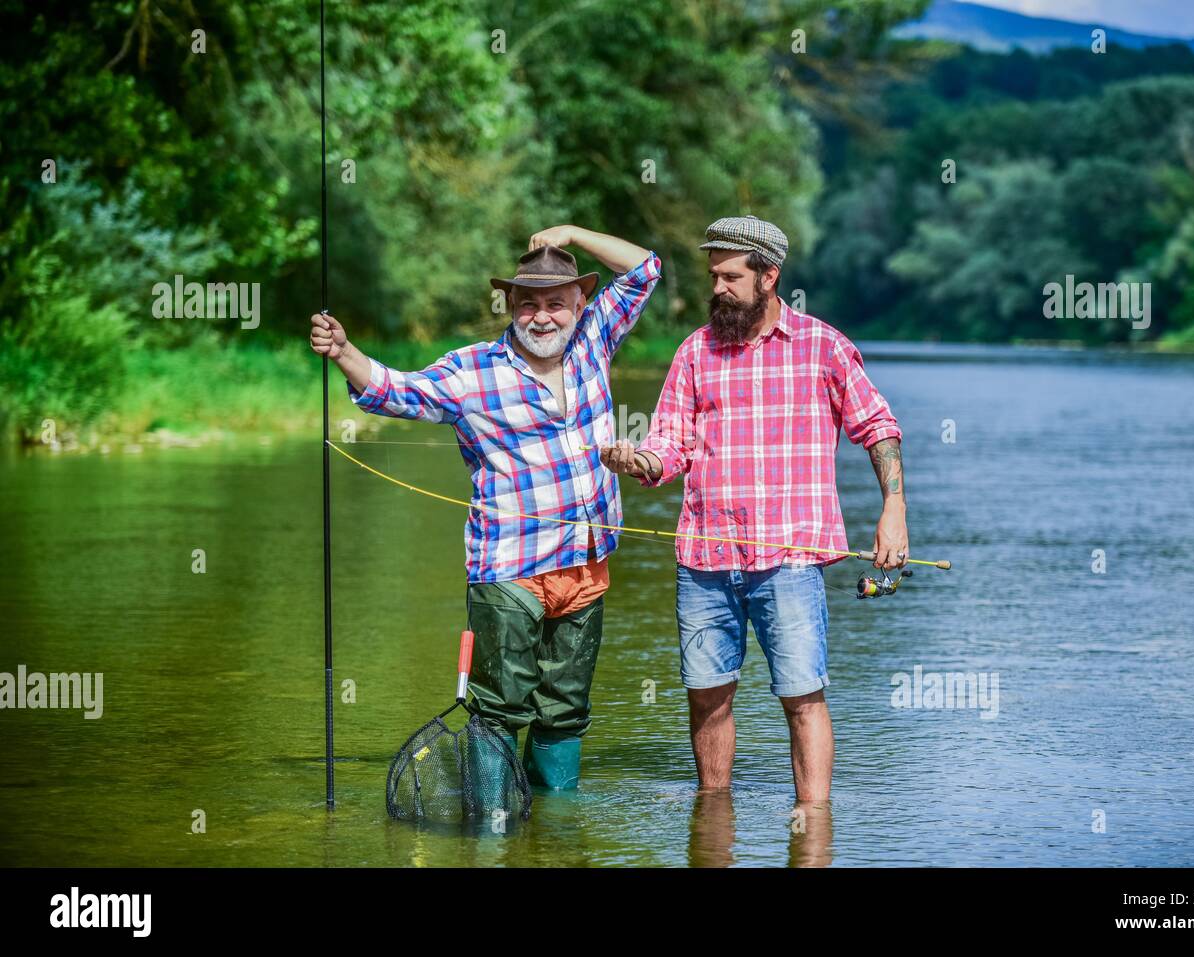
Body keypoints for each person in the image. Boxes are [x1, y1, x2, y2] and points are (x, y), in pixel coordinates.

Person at [310, 226, 660, 792]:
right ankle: (496, 834)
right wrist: (345, 351)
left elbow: (645, 268)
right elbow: (394, 391)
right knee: (498, 711)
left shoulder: (595, 339)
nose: (542, 317)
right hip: (509, 572)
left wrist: (569, 231)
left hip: (587, 565)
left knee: (565, 711)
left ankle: (554, 833)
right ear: (512, 306)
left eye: (555, 303)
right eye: (528, 304)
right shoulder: (471, 370)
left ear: (580, 304)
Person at [600, 214, 906, 802]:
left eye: (730, 276)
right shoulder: (694, 352)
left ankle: (813, 828)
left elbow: (878, 427)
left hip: (789, 560)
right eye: (713, 275)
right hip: (704, 558)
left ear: (769, 276)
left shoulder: (823, 347)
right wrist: (639, 462)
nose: (717, 288)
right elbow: (670, 444)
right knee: (707, 694)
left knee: (802, 695)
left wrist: (894, 508)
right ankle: (713, 822)